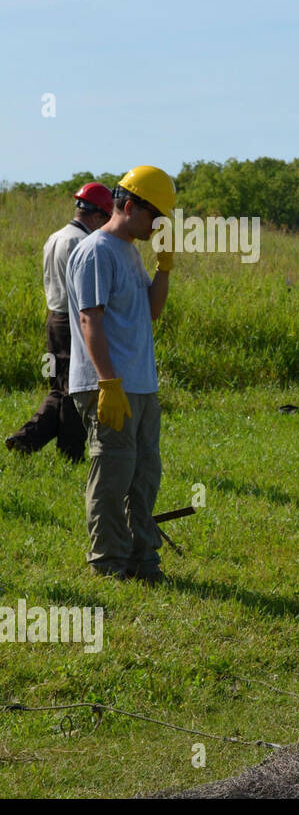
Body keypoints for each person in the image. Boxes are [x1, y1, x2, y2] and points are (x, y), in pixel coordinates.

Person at [65, 165, 176, 582]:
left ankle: (143, 559)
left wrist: (164, 268)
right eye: (156, 218)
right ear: (128, 207)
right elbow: (90, 320)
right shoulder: (96, 251)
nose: (159, 227)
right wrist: (109, 383)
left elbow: (151, 312)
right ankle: (108, 562)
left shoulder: (129, 250)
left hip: (141, 386)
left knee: (144, 474)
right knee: (113, 475)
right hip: (107, 385)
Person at [5, 183, 114, 461]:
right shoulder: (82, 242)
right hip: (74, 323)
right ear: (99, 215)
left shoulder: (55, 237)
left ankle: (25, 440)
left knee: (61, 387)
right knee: (75, 389)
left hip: (54, 320)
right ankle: (69, 452)